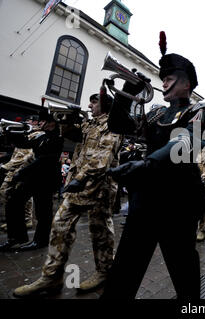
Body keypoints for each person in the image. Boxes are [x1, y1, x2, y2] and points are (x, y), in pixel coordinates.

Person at [101, 51, 205, 299]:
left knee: (183, 268)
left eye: (169, 78)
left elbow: (185, 142)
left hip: (178, 203)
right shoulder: (155, 112)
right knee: (125, 267)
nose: (163, 82)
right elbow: (119, 125)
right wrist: (127, 89)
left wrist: (147, 164)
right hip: (145, 200)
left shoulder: (203, 110)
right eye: (161, 78)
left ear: (186, 82)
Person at [13, 93, 123, 297]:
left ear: (105, 105)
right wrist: (66, 119)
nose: (89, 105)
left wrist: (79, 179)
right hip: (77, 185)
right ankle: (52, 277)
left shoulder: (113, 124)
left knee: (100, 231)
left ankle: (104, 271)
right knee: (60, 224)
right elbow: (71, 136)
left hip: (98, 185)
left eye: (94, 101)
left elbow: (102, 158)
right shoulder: (89, 124)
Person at [0, 110, 63, 252]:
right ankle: (16, 237)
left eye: (42, 120)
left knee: (43, 212)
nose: (39, 123)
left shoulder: (57, 137)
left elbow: (44, 160)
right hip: (35, 177)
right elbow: (25, 144)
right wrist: (10, 134)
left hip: (46, 179)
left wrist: (21, 173)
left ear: (51, 122)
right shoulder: (42, 137)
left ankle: (40, 241)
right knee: (13, 201)